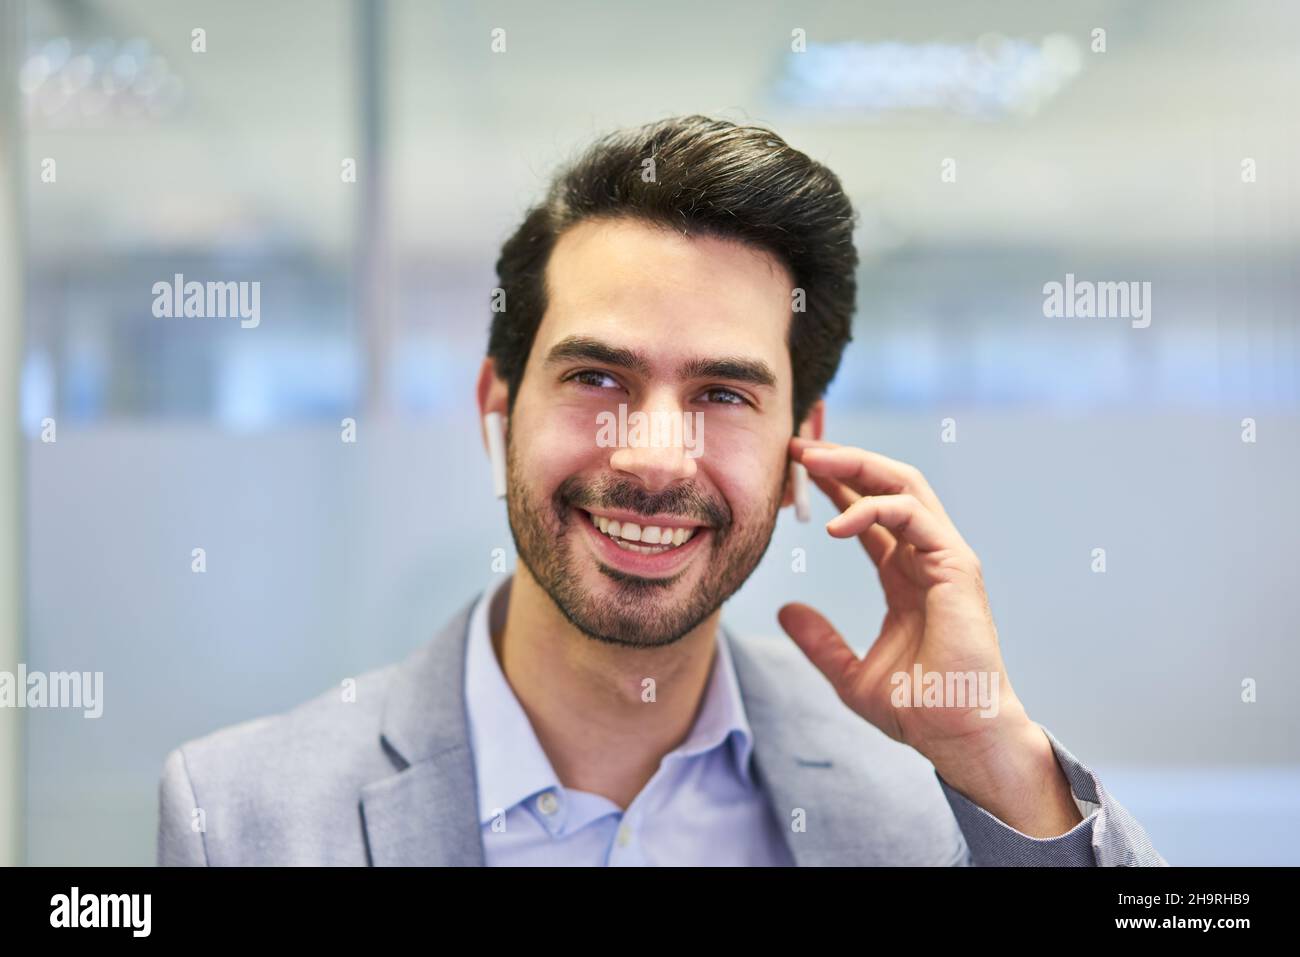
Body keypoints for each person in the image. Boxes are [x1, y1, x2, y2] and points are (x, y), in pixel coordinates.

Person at [157, 115, 1166, 866]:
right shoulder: (243, 818)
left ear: (798, 449)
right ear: (496, 408)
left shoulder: (924, 809)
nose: (651, 458)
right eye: (597, 378)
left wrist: (996, 760)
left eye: (723, 393)